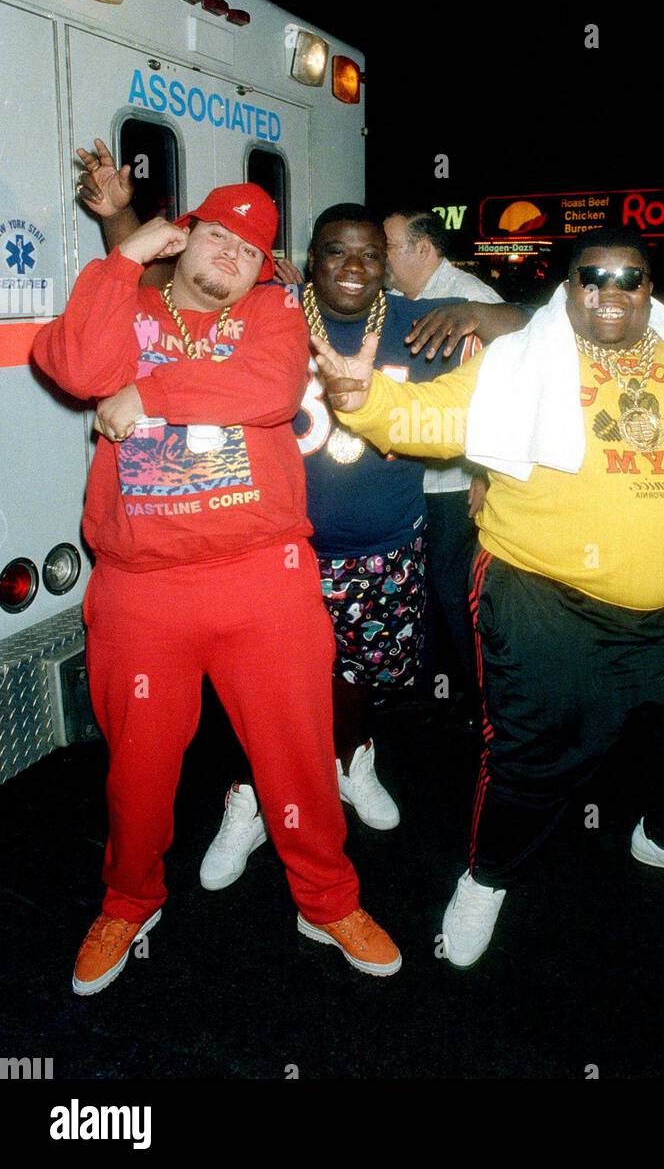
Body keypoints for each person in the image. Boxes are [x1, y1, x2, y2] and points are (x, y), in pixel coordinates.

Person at [310, 228, 664, 968]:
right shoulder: (518, 364)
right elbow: (433, 417)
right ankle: (487, 877)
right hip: (550, 605)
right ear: (567, 289)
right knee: (534, 760)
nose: (610, 292)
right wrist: (366, 399)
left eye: (628, 279)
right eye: (591, 277)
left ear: (647, 290)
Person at [33, 185, 403, 990]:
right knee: (138, 767)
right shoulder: (122, 299)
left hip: (259, 579)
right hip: (140, 587)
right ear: (182, 237)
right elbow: (77, 369)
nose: (232, 258)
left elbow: (266, 389)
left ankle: (327, 899)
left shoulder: (271, 314)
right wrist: (124, 253)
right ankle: (130, 900)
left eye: (249, 251)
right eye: (217, 239)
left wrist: (152, 393)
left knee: (298, 755)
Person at [197, 204, 528, 885]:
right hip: (278, 546)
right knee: (259, 681)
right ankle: (249, 794)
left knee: (356, 675)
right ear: (310, 259)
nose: (354, 268)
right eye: (336, 253)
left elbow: (535, 333)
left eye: (370, 255)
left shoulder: (419, 326)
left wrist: (475, 316)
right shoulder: (271, 319)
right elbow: (165, 307)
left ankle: (351, 757)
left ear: (385, 262)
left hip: (384, 545)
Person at [384, 208, 503, 730]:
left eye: (386, 246)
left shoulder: (474, 301)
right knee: (423, 586)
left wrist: (484, 468)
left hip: (456, 481)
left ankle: (483, 701)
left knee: (456, 589)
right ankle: (436, 685)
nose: (378, 256)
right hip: (410, 477)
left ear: (422, 249)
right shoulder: (395, 300)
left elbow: (507, 391)